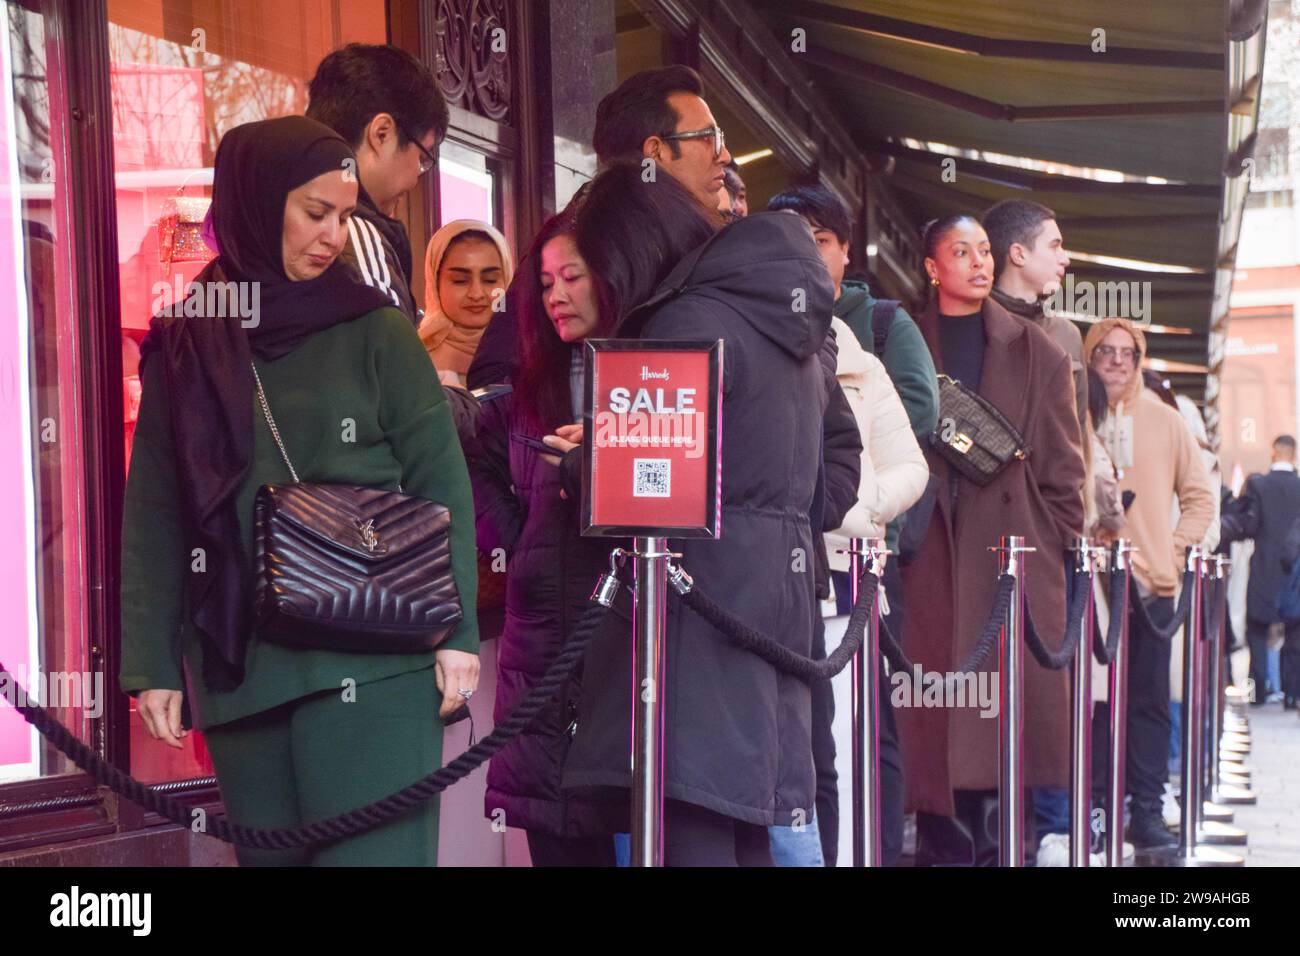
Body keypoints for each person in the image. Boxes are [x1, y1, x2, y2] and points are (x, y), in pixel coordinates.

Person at [119, 116, 480, 867]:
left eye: (345, 216)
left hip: (377, 659)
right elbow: (156, 507)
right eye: (315, 212)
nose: (334, 236)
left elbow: (441, 480)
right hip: (244, 668)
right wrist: (151, 664)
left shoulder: (377, 329)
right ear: (255, 202)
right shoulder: (188, 337)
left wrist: (459, 636)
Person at [559, 162, 832, 866]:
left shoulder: (684, 321)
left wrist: (578, 464)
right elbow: (827, 469)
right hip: (767, 606)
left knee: (693, 830)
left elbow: (641, 489)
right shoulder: (778, 321)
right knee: (742, 833)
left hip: (693, 622)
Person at [899, 215, 1085, 867]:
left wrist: (1050, 548)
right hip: (924, 557)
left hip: (1009, 567)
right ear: (930, 266)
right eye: (960, 251)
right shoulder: (899, 340)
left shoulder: (1044, 354)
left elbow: (1067, 477)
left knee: (1001, 752)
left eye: (983, 250)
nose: (979, 263)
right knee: (931, 741)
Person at [766, 184, 933, 865]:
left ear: (843, 256)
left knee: (849, 747)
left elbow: (910, 465)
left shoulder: (853, 348)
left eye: (823, 239)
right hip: (767, 579)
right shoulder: (744, 328)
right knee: (790, 751)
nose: (808, 252)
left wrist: (854, 511)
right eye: (791, 236)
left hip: (849, 584)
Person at [464, 211, 619, 866]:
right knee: (558, 840)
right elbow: (469, 454)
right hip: (543, 649)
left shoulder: (656, 374)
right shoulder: (527, 388)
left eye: (573, 277)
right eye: (547, 281)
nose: (557, 294)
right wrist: (521, 535)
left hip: (626, 642)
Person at [466, 65, 732, 390]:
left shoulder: (700, 240)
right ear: (655, 152)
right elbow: (494, 381)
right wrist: (578, 428)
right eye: (708, 139)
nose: (725, 156)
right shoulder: (570, 243)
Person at [1083, 316, 1214, 850]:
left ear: (1139, 360)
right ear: (1091, 359)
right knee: (1095, 706)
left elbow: (1201, 498)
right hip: (1089, 587)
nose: (1116, 361)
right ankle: (1096, 809)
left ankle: (1147, 812)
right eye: (1106, 352)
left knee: (1150, 706)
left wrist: (1173, 547)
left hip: (1154, 588)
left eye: (1127, 352)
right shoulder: (1073, 417)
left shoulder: (1166, 420)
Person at [306, 43, 447, 323]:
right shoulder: (354, 235)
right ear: (381, 134)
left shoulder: (286, 228)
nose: (416, 178)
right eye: (422, 157)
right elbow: (395, 365)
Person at [983, 199, 1088, 428]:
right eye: (1054, 246)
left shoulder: (1067, 334)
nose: (1065, 258)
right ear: (1019, 254)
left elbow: (1077, 434)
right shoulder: (974, 323)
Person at [1221, 434, 1300, 707]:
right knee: (1295, 633)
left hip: (1264, 567)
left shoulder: (1259, 485)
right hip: (1295, 574)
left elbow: (1251, 527)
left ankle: (1257, 690)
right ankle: (1293, 694)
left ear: (1273, 452)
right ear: (1294, 454)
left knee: (1257, 629)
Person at [418, 220, 513, 386]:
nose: (476, 294)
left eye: (490, 280)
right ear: (435, 284)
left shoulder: (531, 350)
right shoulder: (413, 359)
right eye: (460, 281)